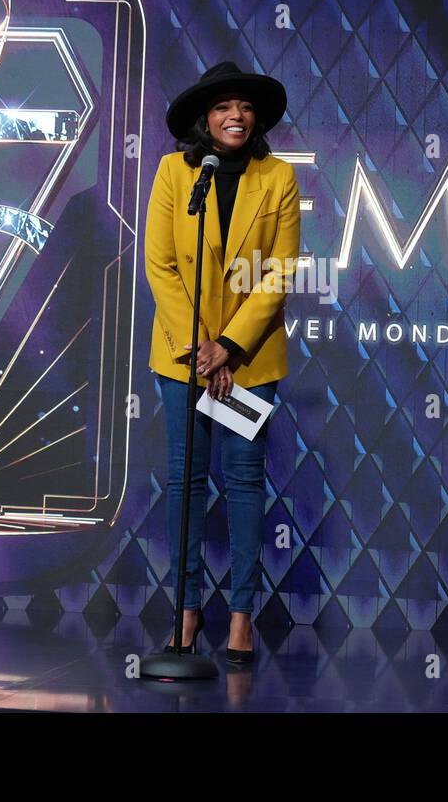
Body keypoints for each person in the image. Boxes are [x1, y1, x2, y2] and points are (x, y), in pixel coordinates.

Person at [144, 61, 299, 664]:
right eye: (222, 108)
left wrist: (228, 348)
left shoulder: (279, 177)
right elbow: (160, 265)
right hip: (183, 358)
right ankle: (185, 609)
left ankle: (240, 616)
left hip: (249, 362)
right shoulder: (173, 174)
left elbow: (278, 272)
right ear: (203, 121)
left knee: (241, 485)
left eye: (245, 107)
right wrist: (201, 349)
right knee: (184, 486)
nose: (236, 116)